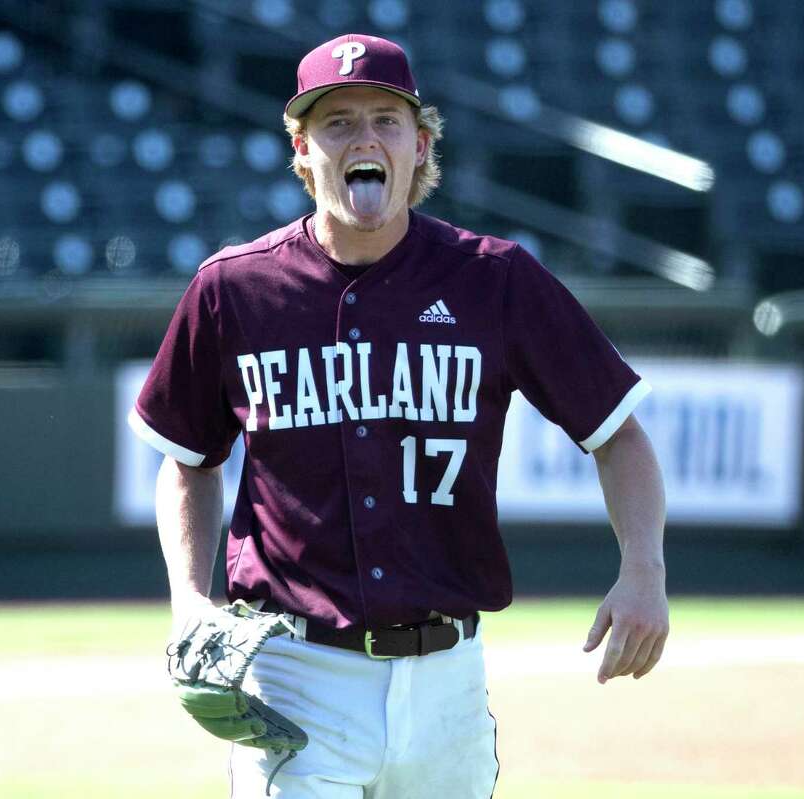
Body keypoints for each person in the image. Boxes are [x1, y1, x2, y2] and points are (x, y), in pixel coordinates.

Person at [129, 33, 669, 798]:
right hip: (295, 674)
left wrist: (644, 569)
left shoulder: (496, 280)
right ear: (301, 148)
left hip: (448, 679)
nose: (364, 137)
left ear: (420, 145)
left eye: (385, 119)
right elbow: (188, 460)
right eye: (338, 122)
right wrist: (189, 599)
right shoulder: (233, 290)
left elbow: (619, 436)